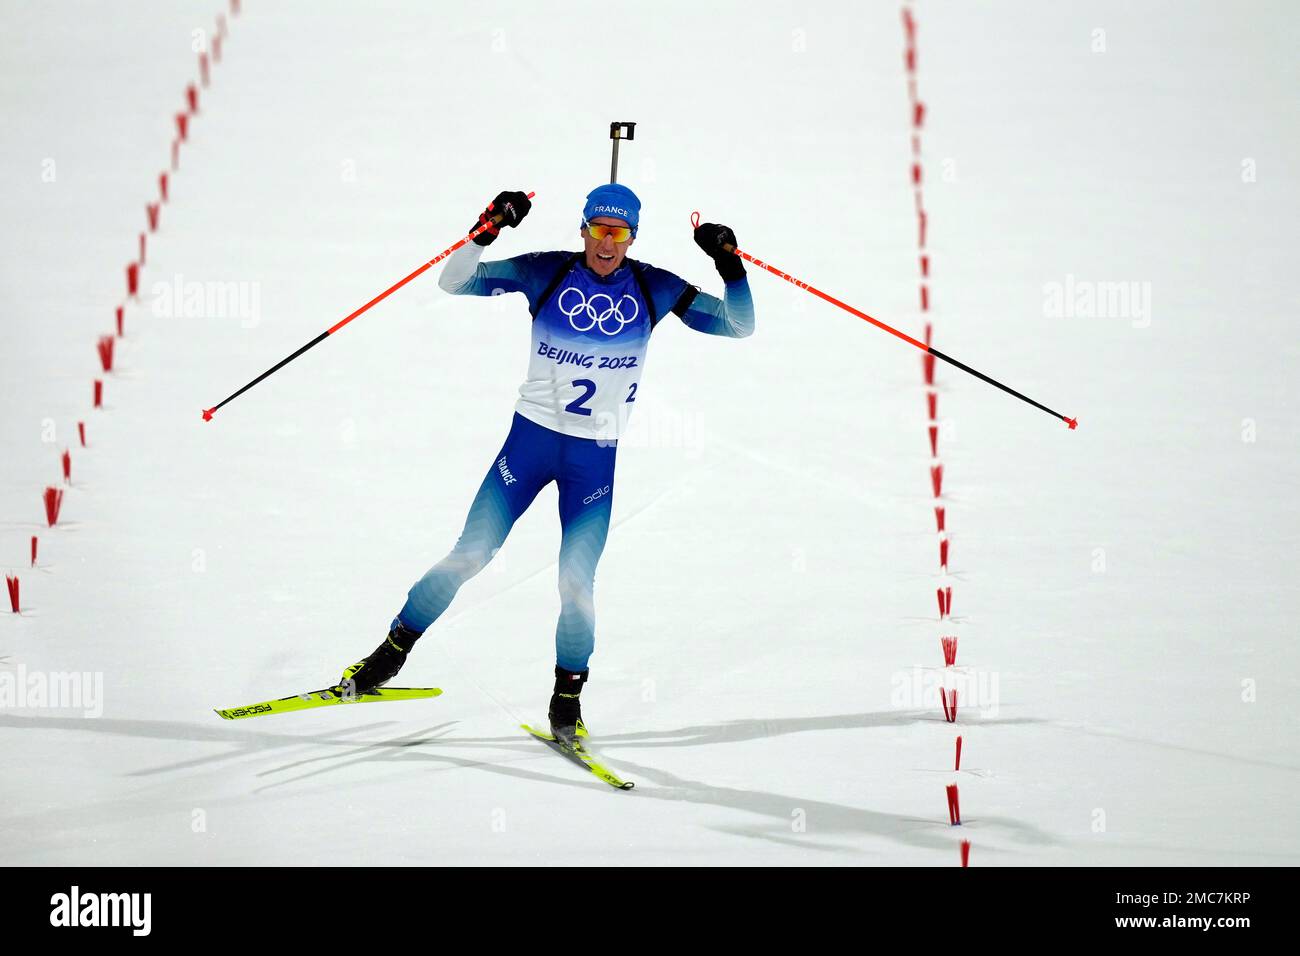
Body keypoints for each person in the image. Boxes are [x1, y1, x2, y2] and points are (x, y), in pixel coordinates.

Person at [339, 184, 754, 745]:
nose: (608, 243)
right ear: (582, 228)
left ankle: (566, 702)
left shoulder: (655, 286)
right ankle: (388, 656)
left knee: (576, 586)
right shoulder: (546, 272)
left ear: (633, 236)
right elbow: (454, 280)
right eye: (599, 229)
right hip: (528, 447)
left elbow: (737, 324)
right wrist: (487, 229)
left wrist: (730, 268)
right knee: (469, 555)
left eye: (621, 232)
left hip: (593, 460)